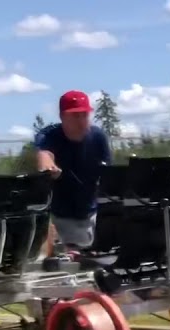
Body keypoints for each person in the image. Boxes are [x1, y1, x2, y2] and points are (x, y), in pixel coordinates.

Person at [35, 90, 111, 256]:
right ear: (62, 116)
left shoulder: (98, 137)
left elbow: (108, 173)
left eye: (85, 115)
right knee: (75, 259)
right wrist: (49, 168)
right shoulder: (50, 135)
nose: (82, 121)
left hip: (93, 212)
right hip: (63, 216)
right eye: (75, 116)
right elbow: (44, 155)